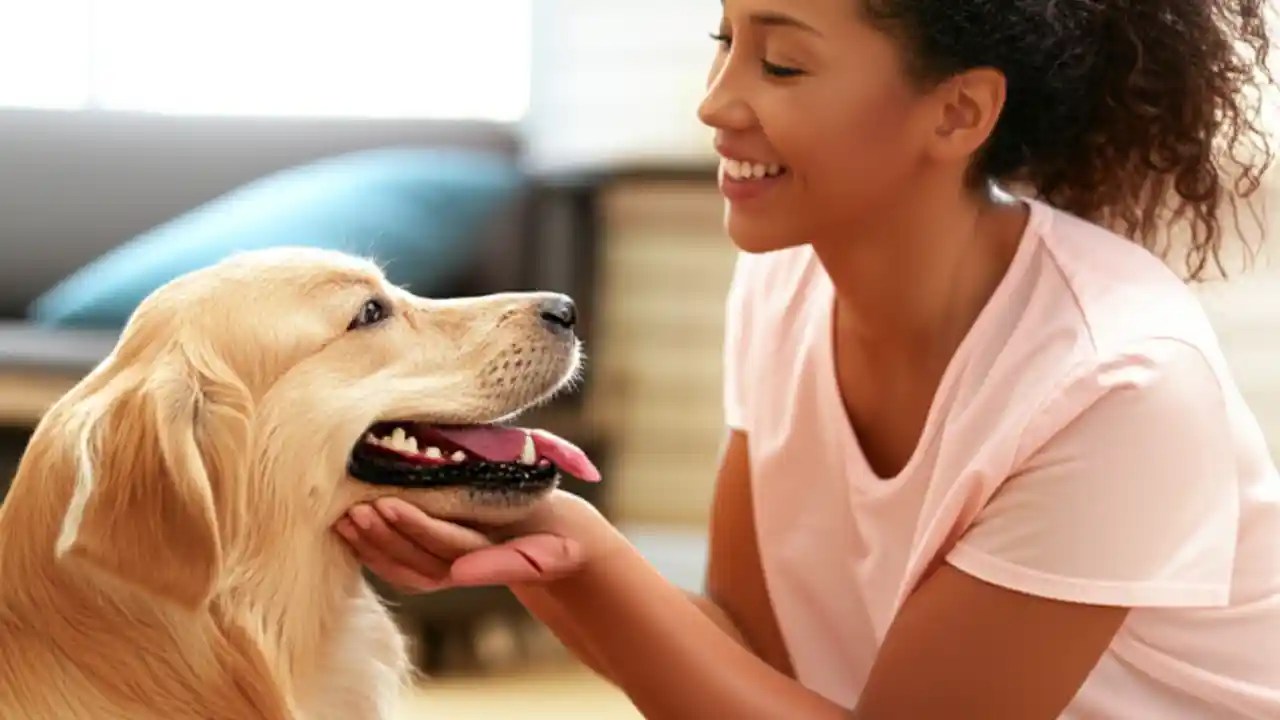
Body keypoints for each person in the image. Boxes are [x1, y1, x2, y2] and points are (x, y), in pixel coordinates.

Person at [335, 1, 1280, 717]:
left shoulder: (1117, 385)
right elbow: (748, 659)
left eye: (782, 64)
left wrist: (581, 548)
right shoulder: (786, 285)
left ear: (957, 113)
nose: (716, 103)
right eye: (725, 42)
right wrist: (528, 542)